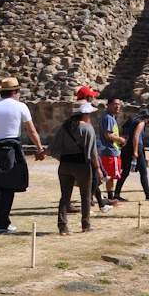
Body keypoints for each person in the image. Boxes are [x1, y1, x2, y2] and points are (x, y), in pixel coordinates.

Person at [0, 76, 46, 234]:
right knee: (8, 186)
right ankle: (3, 223)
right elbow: (31, 130)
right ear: (16, 92)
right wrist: (39, 148)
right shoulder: (21, 107)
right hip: (10, 149)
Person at [50, 101, 105, 235]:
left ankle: (62, 227)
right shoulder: (87, 128)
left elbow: (54, 146)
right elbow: (92, 152)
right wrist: (98, 168)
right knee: (85, 196)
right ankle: (85, 224)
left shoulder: (64, 127)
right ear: (84, 114)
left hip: (65, 165)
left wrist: (42, 153)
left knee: (65, 197)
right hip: (82, 165)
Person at [116, 105, 149, 201]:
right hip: (136, 147)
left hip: (126, 146)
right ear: (147, 118)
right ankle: (148, 194)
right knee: (143, 171)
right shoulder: (141, 122)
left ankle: (117, 193)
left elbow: (124, 131)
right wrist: (135, 151)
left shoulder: (131, 120)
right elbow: (136, 136)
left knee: (125, 171)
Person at [96, 97, 126, 208]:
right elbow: (108, 135)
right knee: (108, 176)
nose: (117, 106)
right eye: (115, 104)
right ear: (108, 105)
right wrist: (121, 139)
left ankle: (110, 198)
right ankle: (92, 192)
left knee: (109, 176)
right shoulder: (108, 118)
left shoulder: (109, 117)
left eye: (119, 104)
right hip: (110, 151)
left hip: (109, 151)